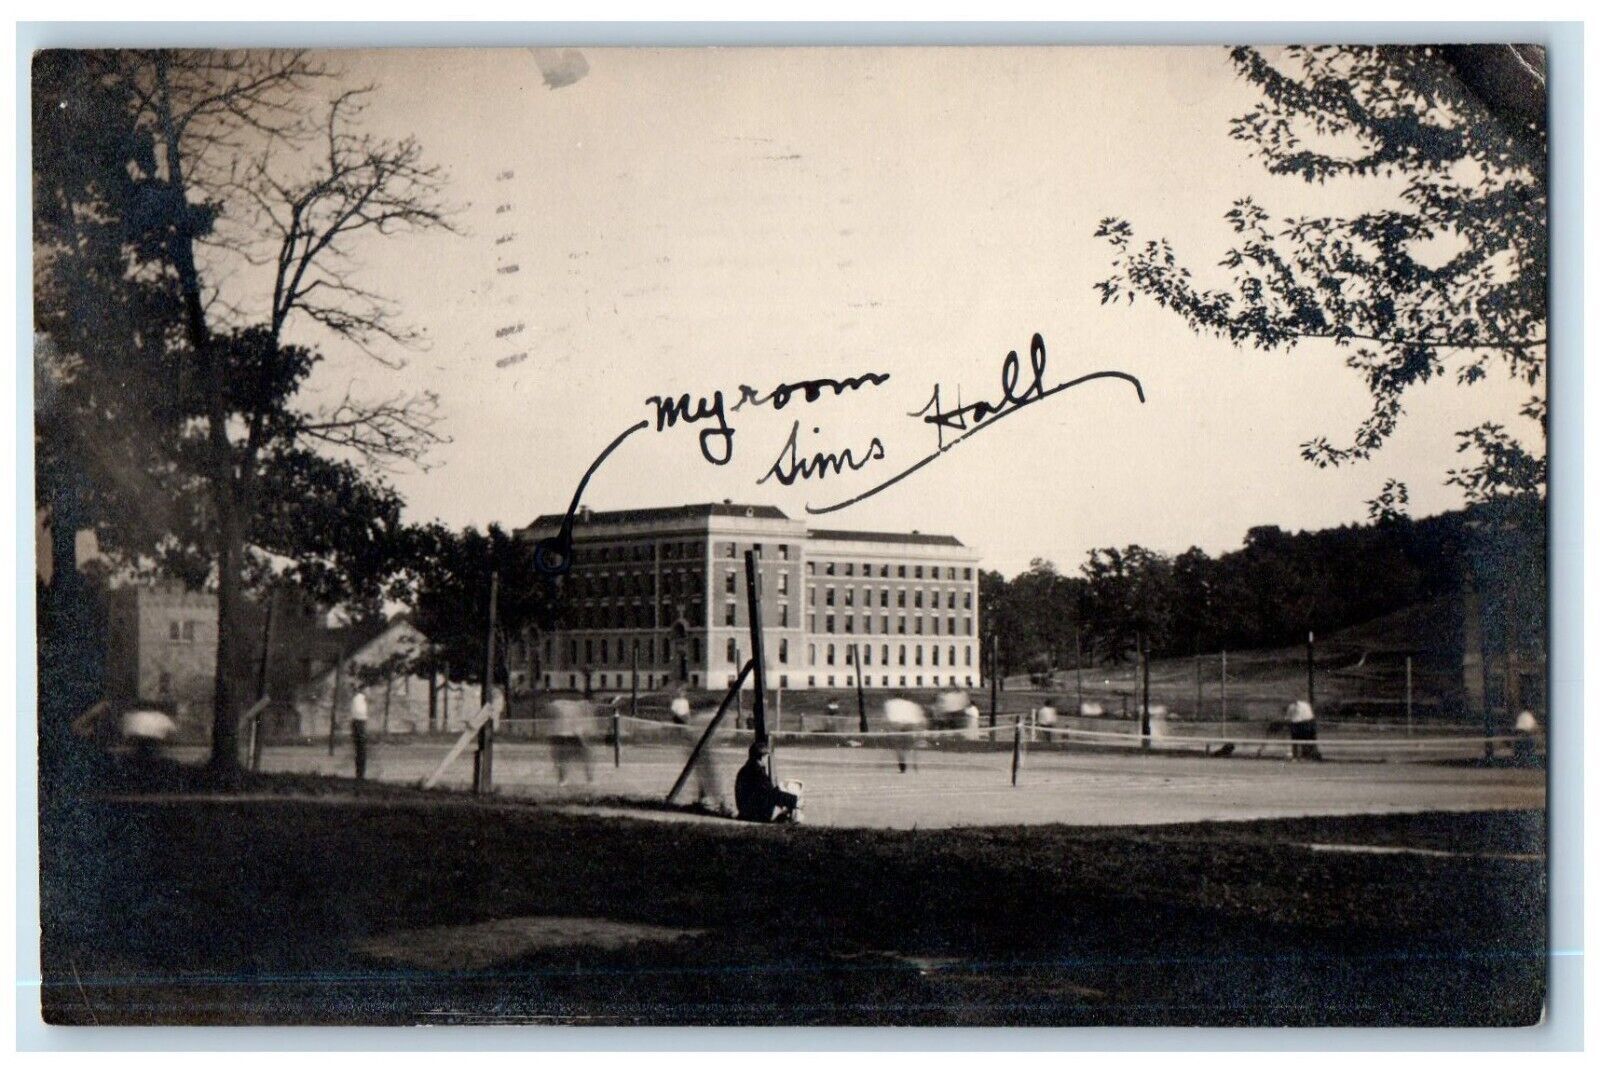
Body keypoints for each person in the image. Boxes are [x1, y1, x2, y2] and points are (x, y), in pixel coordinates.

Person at [734, 741, 800, 822]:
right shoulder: (757, 772)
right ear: (762, 757)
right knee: (793, 795)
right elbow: (771, 794)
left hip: (745, 811)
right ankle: (793, 819)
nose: (766, 760)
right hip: (755, 814)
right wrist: (793, 800)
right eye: (766, 757)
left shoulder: (745, 769)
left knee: (783, 797)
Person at [547, 696, 596, 784]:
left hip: (574, 735)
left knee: (586, 756)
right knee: (562, 758)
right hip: (566, 735)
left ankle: (588, 779)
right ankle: (563, 779)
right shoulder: (561, 705)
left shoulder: (581, 705)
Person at [883, 696, 927, 773]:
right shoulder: (911, 704)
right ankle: (913, 765)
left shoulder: (891, 703)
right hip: (909, 725)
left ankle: (903, 766)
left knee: (900, 747)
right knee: (910, 746)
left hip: (899, 725)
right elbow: (920, 719)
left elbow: (887, 718)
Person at [349, 687, 370, 780]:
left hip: (358, 724)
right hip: (359, 724)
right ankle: (360, 774)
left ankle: (360, 773)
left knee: (360, 751)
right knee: (361, 751)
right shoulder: (359, 699)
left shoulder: (358, 699)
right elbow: (360, 714)